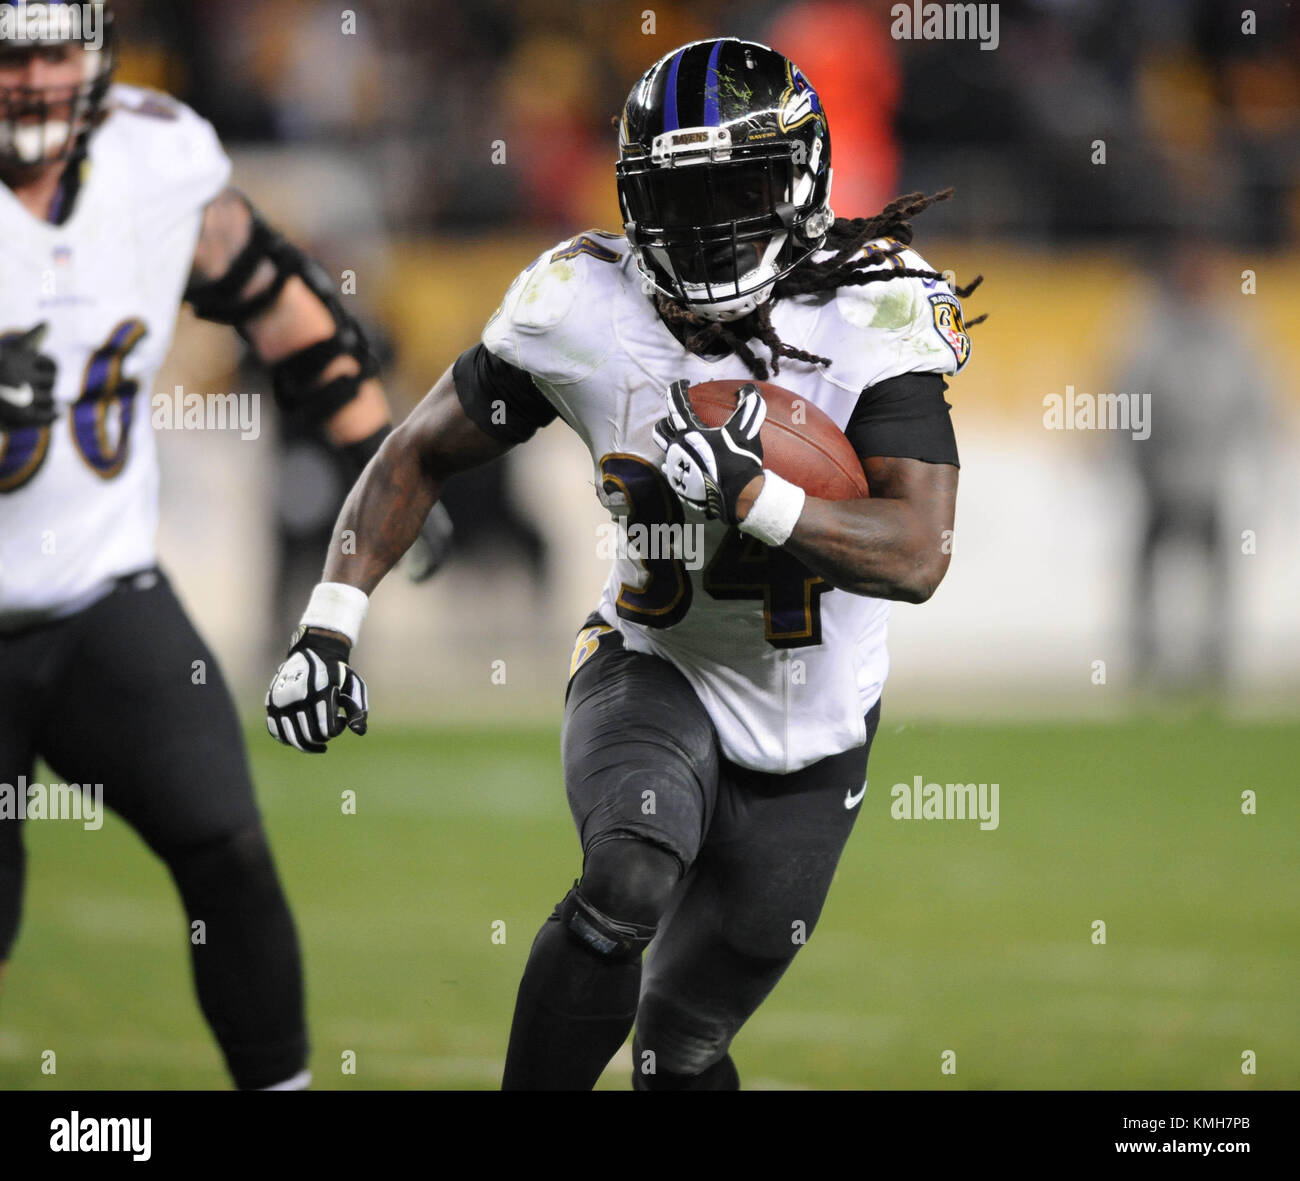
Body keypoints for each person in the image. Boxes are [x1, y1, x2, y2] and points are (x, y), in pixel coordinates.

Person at [267, 37, 979, 1089]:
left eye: (736, 190)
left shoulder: (872, 307)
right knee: (623, 884)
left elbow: (918, 551)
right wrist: (329, 620)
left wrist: (757, 496)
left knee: (681, 1050)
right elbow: (415, 450)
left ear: (801, 182)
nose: (707, 227)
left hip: (816, 713)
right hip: (652, 658)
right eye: (678, 199)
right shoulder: (580, 303)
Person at [0, 0, 446, 1089]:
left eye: (53, 50)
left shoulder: (159, 159)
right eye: (8, 53)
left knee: (229, 851)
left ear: (95, 55)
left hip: (102, 593)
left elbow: (280, 302)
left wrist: (377, 459)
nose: (30, 78)